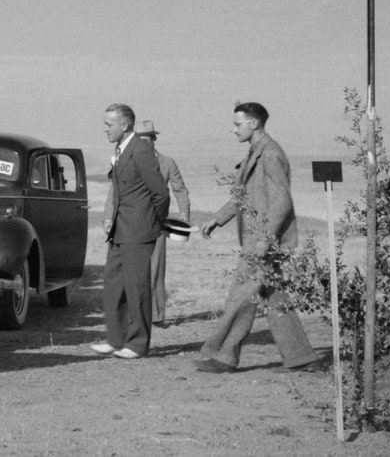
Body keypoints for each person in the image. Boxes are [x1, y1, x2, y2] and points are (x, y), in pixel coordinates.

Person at [194, 102, 320, 373]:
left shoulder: (271, 154)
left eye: (238, 124)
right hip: (262, 240)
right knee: (275, 297)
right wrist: (218, 219)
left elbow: (282, 201)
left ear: (254, 123)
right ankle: (302, 357)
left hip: (264, 241)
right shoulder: (256, 152)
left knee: (241, 296)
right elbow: (243, 196)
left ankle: (222, 355)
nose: (235, 129)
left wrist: (266, 238)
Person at [91, 104, 170, 360]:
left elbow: (160, 193)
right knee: (114, 285)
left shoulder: (141, 150)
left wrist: (153, 225)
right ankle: (116, 339)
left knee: (137, 289)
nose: (105, 130)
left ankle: (137, 344)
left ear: (124, 125)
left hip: (138, 231)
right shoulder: (122, 149)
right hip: (120, 230)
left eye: (109, 124)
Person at [134, 120, 191, 326]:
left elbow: (180, 189)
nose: (143, 142)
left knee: (156, 268)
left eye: (146, 139)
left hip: (157, 224)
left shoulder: (167, 163)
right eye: (139, 139)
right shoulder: (129, 161)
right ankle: (135, 315)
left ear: (154, 139)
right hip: (131, 224)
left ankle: (157, 316)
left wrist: (184, 214)